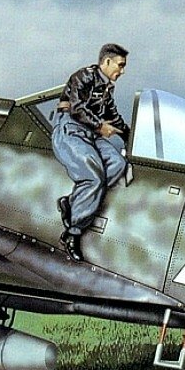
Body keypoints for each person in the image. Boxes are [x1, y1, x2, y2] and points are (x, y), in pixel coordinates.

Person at [53, 43, 130, 262]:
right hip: (71, 128)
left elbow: (111, 114)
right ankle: (72, 233)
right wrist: (100, 126)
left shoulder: (107, 87)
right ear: (106, 62)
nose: (122, 71)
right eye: (120, 65)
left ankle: (73, 203)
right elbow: (77, 109)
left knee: (117, 164)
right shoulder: (83, 77)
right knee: (93, 176)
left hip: (91, 132)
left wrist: (128, 135)